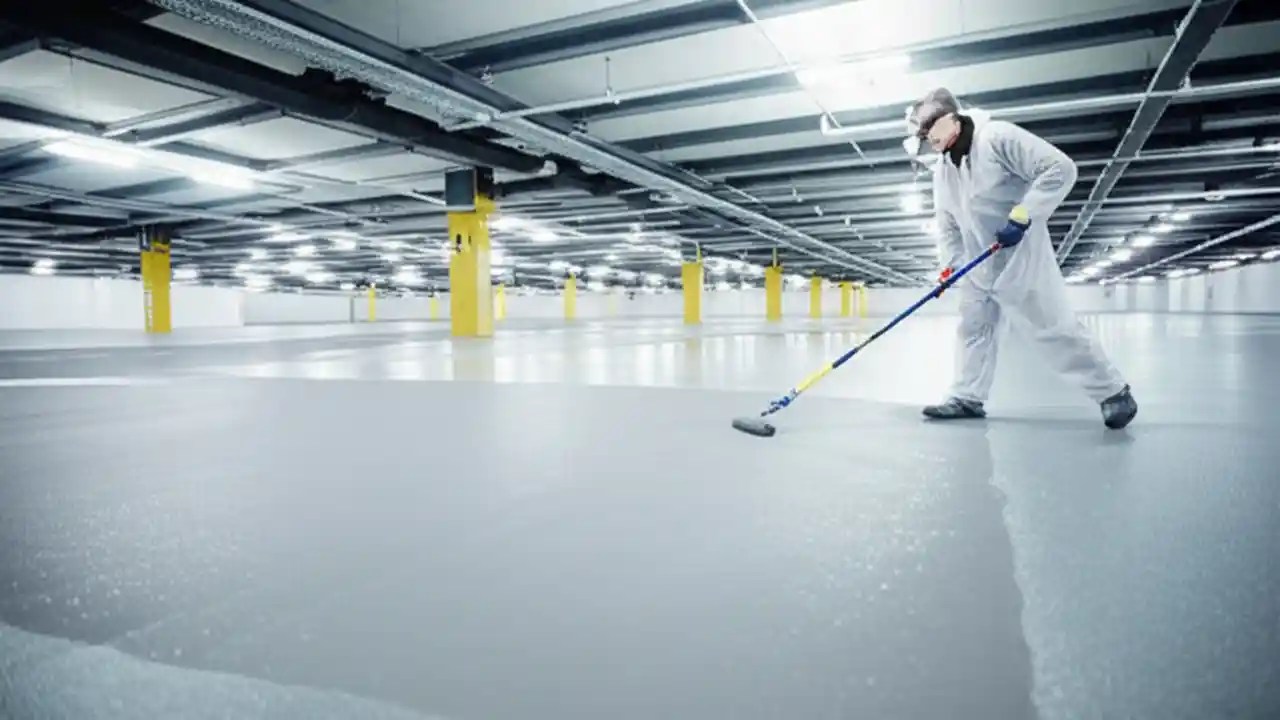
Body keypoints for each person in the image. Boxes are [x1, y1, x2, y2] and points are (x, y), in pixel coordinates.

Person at [903, 88, 1138, 429]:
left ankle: (1114, 392)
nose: (927, 144)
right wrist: (950, 267)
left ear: (947, 121)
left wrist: (1024, 214)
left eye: (927, 135)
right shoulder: (943, 169)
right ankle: (967, 396)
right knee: (974, 327)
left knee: (1053, 328)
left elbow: (1059, 169)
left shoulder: (997, 137)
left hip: (1019, 253)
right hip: (976, 262)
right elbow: (947, 224)